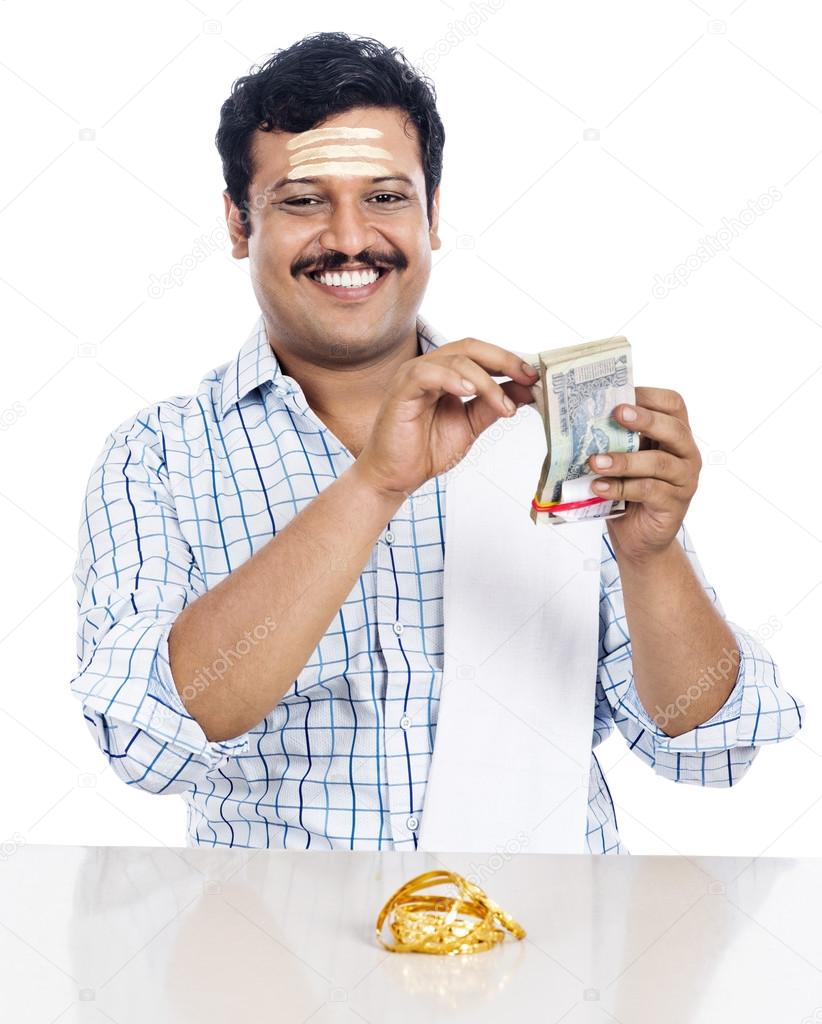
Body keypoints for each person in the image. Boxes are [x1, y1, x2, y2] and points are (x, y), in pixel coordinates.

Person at [70, 31, 803, 853]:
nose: (350, 237)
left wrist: (649, 558)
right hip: (270, 960)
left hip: (544, 954)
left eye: (385, 197)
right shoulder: (160, 457)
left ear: (432, 214)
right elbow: (146, 736)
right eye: (304, 200)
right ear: (240, 223)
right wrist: (374, 485)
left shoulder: (553, 432)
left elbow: (706, 743)